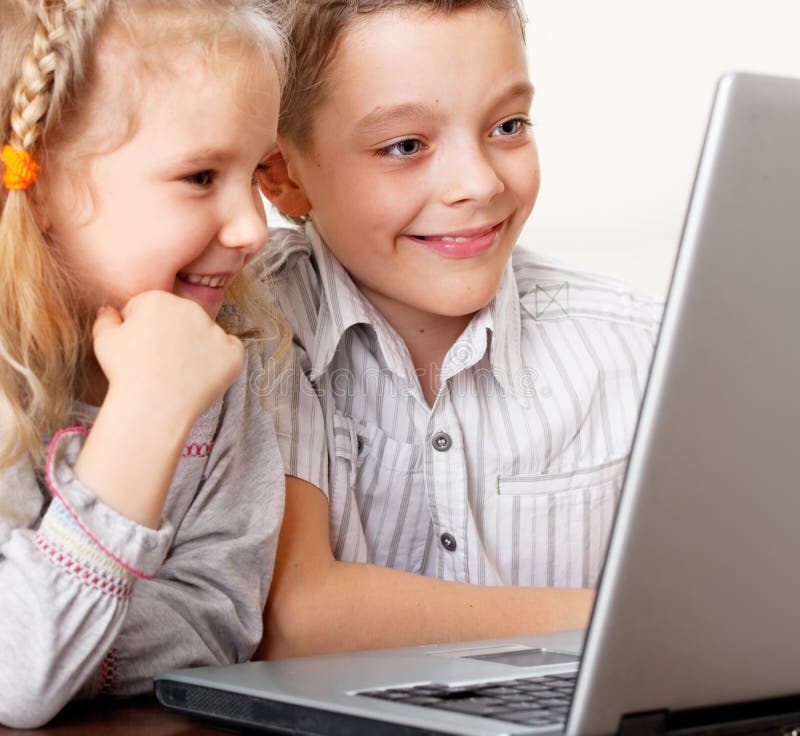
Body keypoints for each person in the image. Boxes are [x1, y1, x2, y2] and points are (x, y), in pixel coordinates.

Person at [255, 0, 662, 660]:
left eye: (508, 125)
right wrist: (624, 622)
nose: (478, 182)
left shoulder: (644, 351)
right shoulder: (252, 325)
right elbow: (295, 620)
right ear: (283, 174)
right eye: (405, 146)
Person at [0, 0, 289, 728]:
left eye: (255, 171)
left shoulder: (218, 349)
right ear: (38, 188)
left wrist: (64, 633)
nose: (255, 226)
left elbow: (220, 619)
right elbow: (17, 672)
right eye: (199, 176)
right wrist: (147, 411)